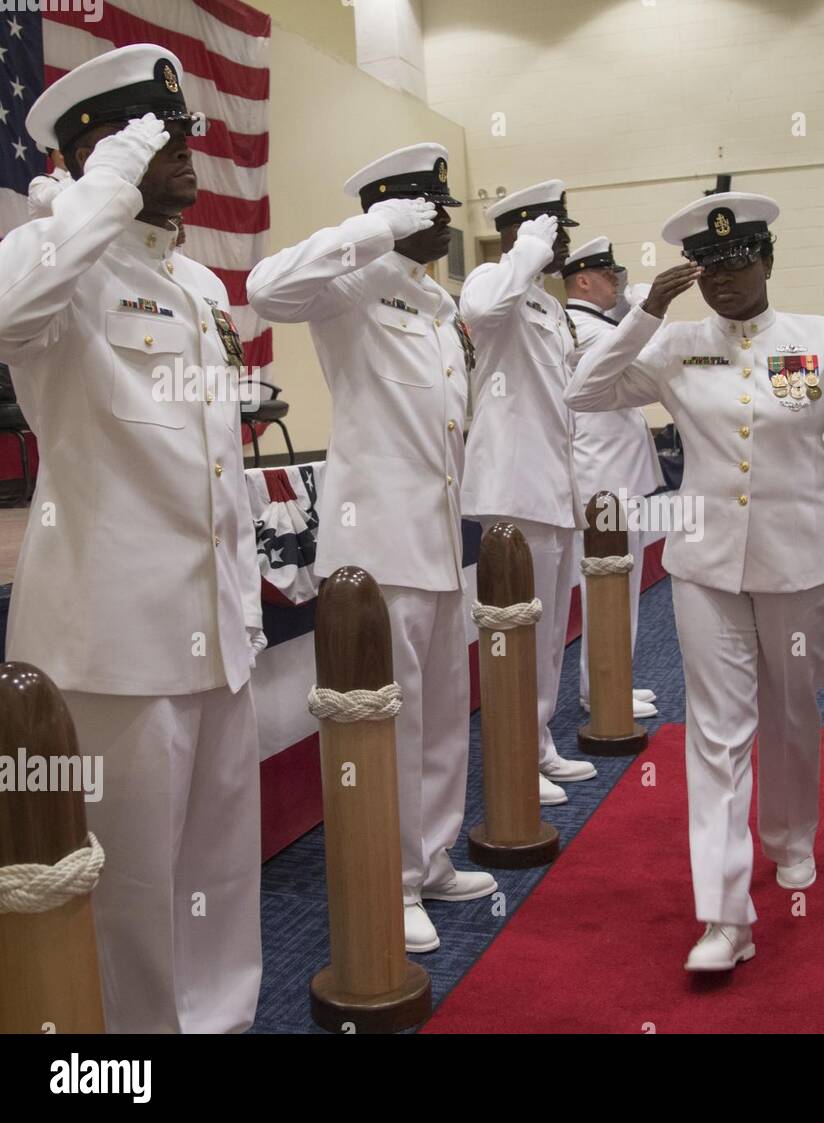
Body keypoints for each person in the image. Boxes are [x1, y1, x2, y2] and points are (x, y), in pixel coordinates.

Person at [566, 192, 824, 971]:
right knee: (717, 733)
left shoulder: (818, 341)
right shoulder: (676, 344)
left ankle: (790, 836)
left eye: (739, 261)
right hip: (704, 565)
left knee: (791, 708)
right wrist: (644, 311)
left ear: (768, 261)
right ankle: (724, 916)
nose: (724, 278)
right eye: (709, 267)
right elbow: (584, 391)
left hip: (801, 563)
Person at [0, 45, 263, 1032]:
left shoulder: (197, 282)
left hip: (215, 619)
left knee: (217, 871)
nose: (186, 150)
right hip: (115, 640)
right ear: (96, 152)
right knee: (132, 892)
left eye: (184, 128)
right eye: (156, 137)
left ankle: (226, 1020)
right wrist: (97, 184)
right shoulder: (58, 266)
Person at [247, 143, 496, 955]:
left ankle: (432, 857)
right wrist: (365, 232)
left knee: (440, 716)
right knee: (389, 720)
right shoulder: (350, 287)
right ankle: (389, 881)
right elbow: (266, 288)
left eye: (439, 211)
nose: (439, 224)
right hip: (376, 548)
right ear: (392, 211)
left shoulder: (436, 304)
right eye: (423, 210)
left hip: (436, 537)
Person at [459, 180, 596, 805]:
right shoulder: (496, 281)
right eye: (553, 228)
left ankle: (536, 744)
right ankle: (514, 757)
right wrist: (526, 251)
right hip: (513, 487)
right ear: (524, 231)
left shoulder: (546, 305)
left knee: (545, 632)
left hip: (554, 484)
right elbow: (480, 313)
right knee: (513, 633)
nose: (563, 239)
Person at [562, 236, 663, 721]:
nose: (617, 282)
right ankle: (600, 691)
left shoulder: (604, 325)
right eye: (609, 275)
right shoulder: (582, 328)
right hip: (603, 482)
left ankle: (613, 681)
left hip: (620, 478)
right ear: (583, 279)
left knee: (623, 592)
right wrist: (646, 307)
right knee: (608, 592)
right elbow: (645, 360)